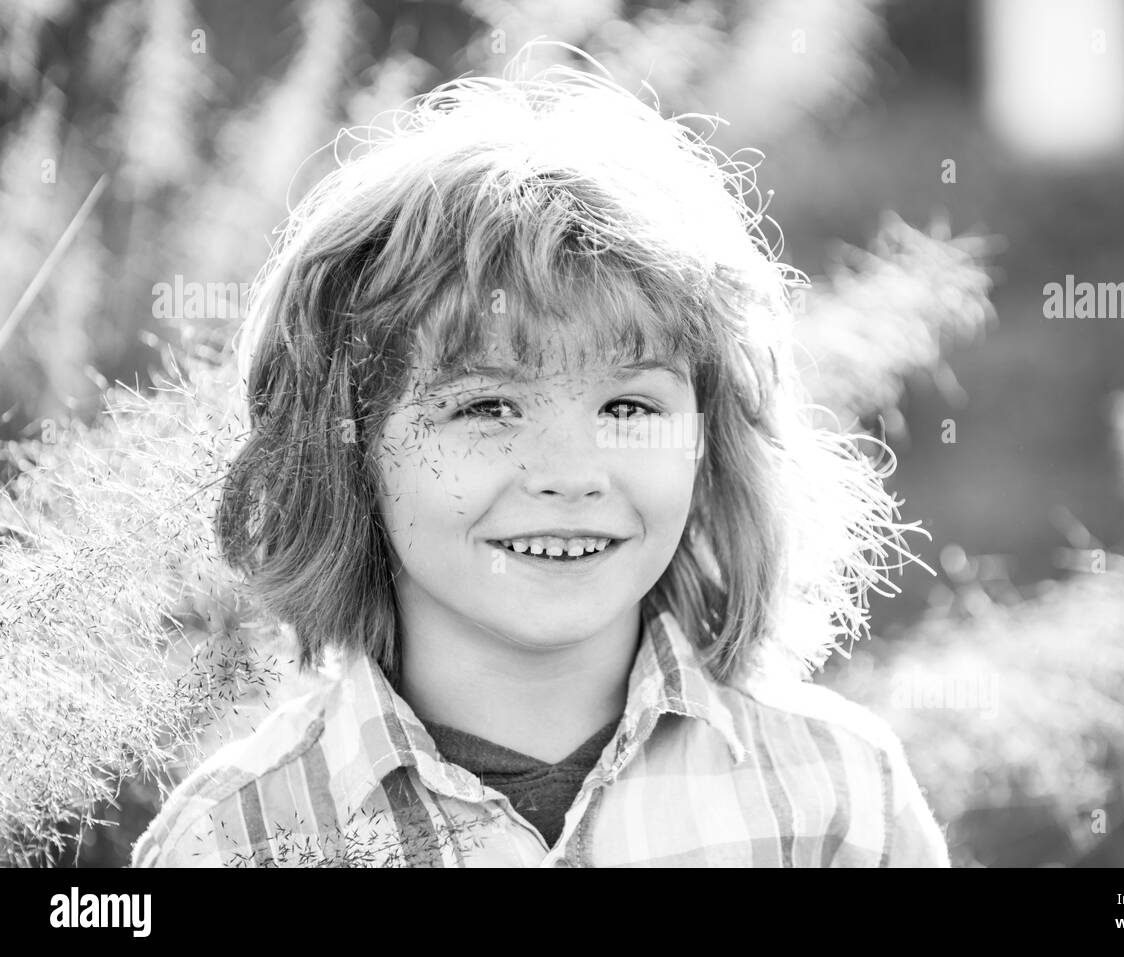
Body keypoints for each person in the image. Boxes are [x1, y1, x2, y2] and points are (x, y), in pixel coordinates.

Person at [131, 42, 949, 868]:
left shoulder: (837, 798)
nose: (569, 474)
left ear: (708, 444)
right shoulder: (232, 838)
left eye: (628, 407)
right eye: (486, 407)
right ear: (348, 451)